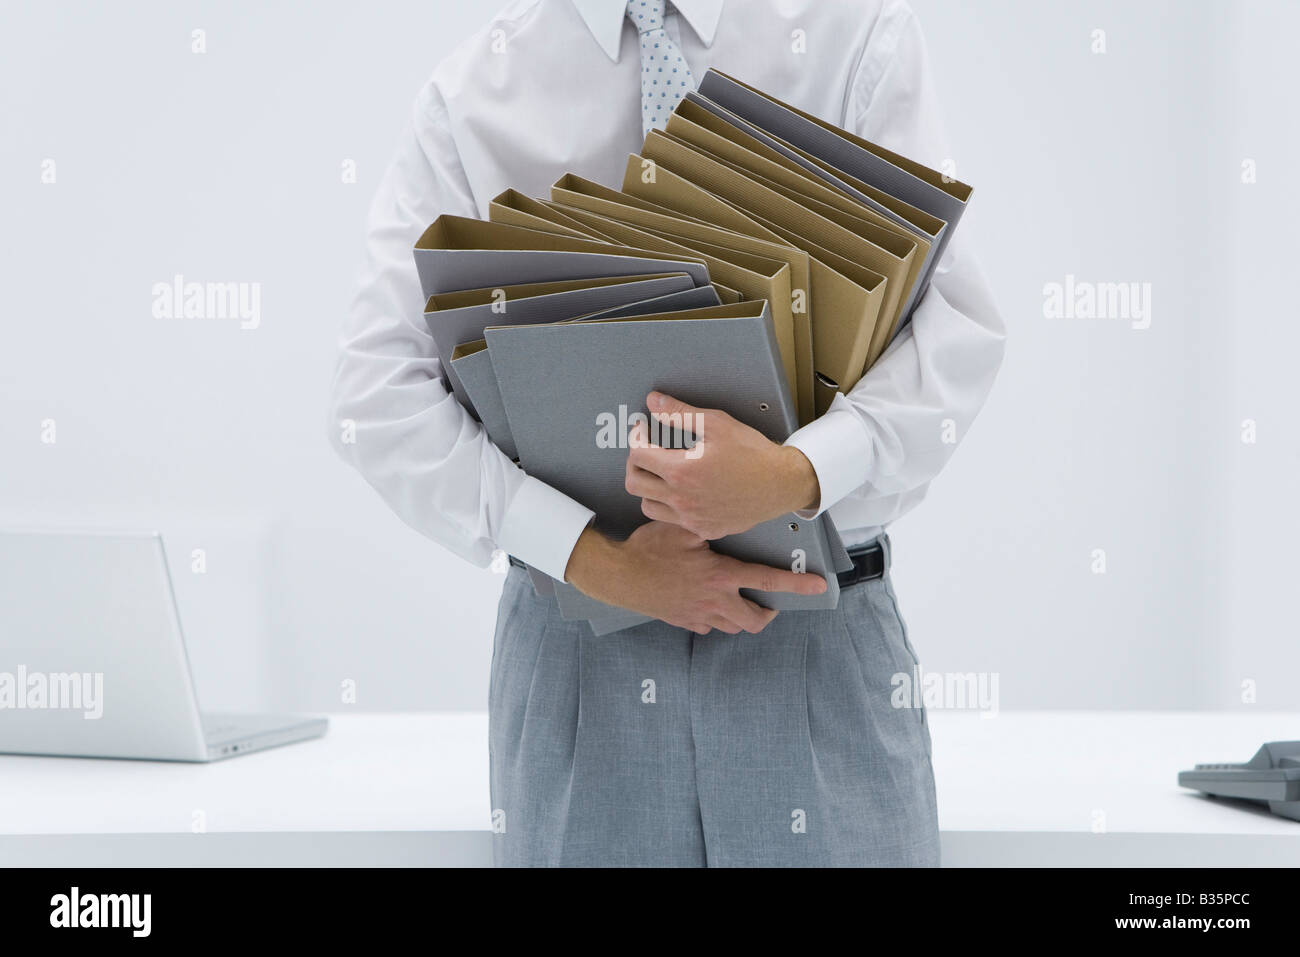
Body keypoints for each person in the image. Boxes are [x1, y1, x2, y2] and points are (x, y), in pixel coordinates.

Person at [328, 0, 1006, 866]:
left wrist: (796, 473)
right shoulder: (471, 92)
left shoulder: (854, 34)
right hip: (581, 653)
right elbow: (372, 393)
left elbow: (957, 326)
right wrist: (593, 559)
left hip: (814, 635)